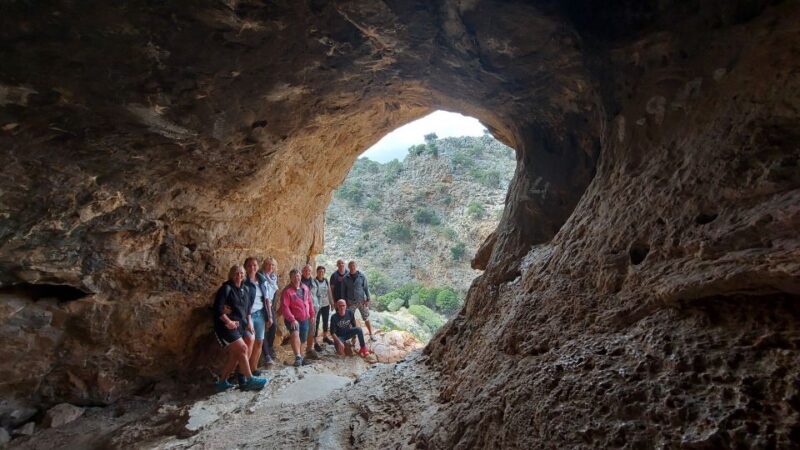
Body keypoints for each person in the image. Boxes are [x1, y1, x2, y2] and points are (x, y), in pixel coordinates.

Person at [212, 265, 268, 392]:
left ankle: (221, 382)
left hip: (241, 325)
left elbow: (247, 310)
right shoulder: (226, 288)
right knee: (243, 348)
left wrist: (249, 323)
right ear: (231, 275)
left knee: (235, 355)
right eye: (236, 273)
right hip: (226, 326)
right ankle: (249, 379)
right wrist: (228, 321)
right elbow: (217, 308)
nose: (239, 276)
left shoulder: (246, 289)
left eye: (242, 273)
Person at [243, 257, 273, 374]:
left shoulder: (261, 280)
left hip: (260, 314)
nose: (252, 268)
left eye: (254, 265)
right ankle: (244, 372)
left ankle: (253, 368)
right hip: (247, 316)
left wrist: (269, 316)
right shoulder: (243, 281)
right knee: (248, 342)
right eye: (249, 265)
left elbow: (266, 299)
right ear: (245, 267)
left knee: (259, 341)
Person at [281, 268, 315, 367]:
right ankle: (297, 357)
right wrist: (292, 319)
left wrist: (312, 314)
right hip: (292, 319)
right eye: (294, 277)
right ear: (290, 278)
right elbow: (285, 307)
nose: (297, 278)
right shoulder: (287, 291)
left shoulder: (305, 288)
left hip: (304, 317)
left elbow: (309, 302)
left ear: (300, 277)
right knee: (295, 333)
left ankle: (301, 358)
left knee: (303, 339)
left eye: (298, 276)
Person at [343, 260, 376, 341]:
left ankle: (371, 334)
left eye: (353, 265)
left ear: (356, 266)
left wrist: (368, 298)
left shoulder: (362, 276)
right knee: (350, 319)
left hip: (361, 301)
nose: (352, 267)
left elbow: (366, 288)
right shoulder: (345, 278)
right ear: (348, 267)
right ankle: (353, 336)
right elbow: (343, 291)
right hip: (351, 302)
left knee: (366, 317)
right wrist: (345, 302)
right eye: (350, 266)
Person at [257, 257, 279, 363]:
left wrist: (273, 306)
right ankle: (266, 355)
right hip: (261, 306)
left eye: (273, 265)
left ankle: (269, 347)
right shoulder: (260, 276)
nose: (270, 267)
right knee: (263, 328)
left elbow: (275, 293)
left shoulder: (274, 277)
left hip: (270, 306)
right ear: (264, 265)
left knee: (273, 326)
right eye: (268, 264)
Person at [311, 265, 334, 351]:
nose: (321, 273)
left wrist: (332, 303)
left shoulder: (326, 281)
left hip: (326, 304)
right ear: (317, 272)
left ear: (324, 273)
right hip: (317, 306)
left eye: (323, 272)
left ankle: (325, 337)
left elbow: (329, 292)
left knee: (325, 321)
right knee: (316, 323)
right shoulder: (314, 281)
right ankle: (315, 341)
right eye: (319, 272)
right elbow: (312, 295)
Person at [300, 264, 319, 360]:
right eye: (306, 270)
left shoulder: (314, 281)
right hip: (302, 310)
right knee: (303, 330)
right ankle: (300, 354)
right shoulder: (298, 281)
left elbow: (317, 294)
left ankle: (309, 349)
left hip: (313, 308)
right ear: (302, 271)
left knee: (312, 329)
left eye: (309, 271)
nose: (308, 272)